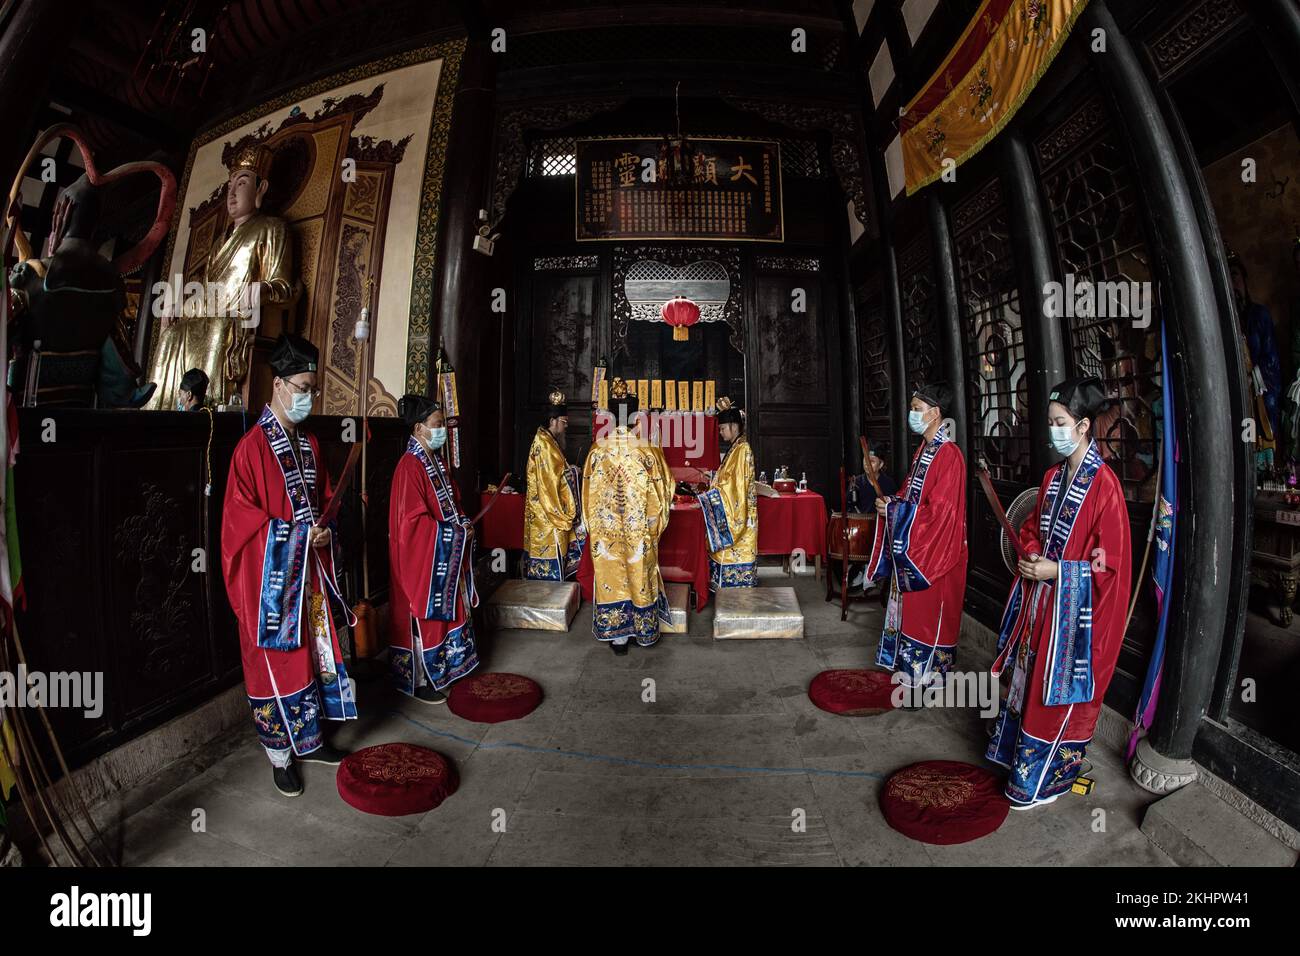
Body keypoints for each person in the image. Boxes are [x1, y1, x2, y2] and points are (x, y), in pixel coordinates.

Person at [987, 377, 1132, 809]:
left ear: (1083, 425)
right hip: (1039, 606)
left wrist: (1059, 571)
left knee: (1055, 696)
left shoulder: (1105, 487)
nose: (1053, 429)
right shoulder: (1051, 479)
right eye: (1051, 421)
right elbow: (1031, 530)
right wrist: (1031, 556)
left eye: (1060, 421)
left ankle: (1047, 779)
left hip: (1072, 616)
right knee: (1030, 685)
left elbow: (1111, 566)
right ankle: (1021, 762)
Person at [220, 333, 354, 797]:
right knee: (275, 662)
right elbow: (242, 527)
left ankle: (311, 740)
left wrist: (324, 529)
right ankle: (280, 755)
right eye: (301, 388)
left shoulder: (310, 445)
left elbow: (323, 501)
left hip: (309, 575)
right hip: (272, 584)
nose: (308, 397)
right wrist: (298, 536)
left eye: (312, 388)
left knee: (311, 658)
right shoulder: (250, 450)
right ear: (277, 385)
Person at [147, 143, 298, 409]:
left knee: (218, 328)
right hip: (214, 306)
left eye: (241, 183)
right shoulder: (219, 243)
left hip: (239, 316)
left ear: (260, 188)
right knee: (171, 333)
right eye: (229, 186)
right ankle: (161, 403)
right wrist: (180, 307)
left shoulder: (272, 228)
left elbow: (284, 287)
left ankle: (209, 404)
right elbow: (208, 290)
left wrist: (262, 289)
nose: (231, 192)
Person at [865, 382, 968, 690]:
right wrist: (892, 504)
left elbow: (942, 514)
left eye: (916, 410)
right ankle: (908, 675)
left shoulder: (948, 455)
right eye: (911, 409)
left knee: (927, 618)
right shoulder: (924, 451)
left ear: (935, 414)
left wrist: (897, 514)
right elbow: (910, 495)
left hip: (935, 553)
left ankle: (926, 682)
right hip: (916, 545)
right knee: (911, 614)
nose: (911, 414)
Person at [387, 393, 480, 704]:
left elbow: (453, 502)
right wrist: (452, 533)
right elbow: (411, 525)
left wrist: (463, 522)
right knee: (422, 615)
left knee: (448, 612)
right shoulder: (409, 466)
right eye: (437, 425)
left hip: (445, 553)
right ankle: (420, 679)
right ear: (418, 429)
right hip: (423, 559)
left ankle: (447, 669)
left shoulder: (435, 463)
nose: (442, 430)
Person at [582, 377, 673, 654]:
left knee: (612, 574)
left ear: (610, 417)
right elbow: (664, 490)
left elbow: (586, 493)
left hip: (606, 532)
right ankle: (641, 631)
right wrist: (654, 527)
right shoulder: (647, 450)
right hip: (638, 531)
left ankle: (617, 636)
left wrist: (593, 527)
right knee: (638, 572)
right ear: (636, 420)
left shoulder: (598, 450)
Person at [523, 389, 584, 580]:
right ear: (553, 421)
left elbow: (556, 472)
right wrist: (573, 473)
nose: (566, 427)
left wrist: (570, 469)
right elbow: (550, 484)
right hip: (547, 513)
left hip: (548, 510)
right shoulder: (544, 444)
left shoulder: (549, 441)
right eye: (564, 422)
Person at [697, 396, 756, 589]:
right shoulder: (735, 448)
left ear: (733, 426)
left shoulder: (743, 449)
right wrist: (714, 475)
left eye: (723, 429)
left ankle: (735, 583)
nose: (721, 433)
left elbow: (736, 489)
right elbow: (728, 477)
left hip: (738, 513)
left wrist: (709, 497)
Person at [1230, 251, 1280, 472]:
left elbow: (1271, 358)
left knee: (1261, 412)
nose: (1233, 284)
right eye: (1228, 278)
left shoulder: (1259, 315)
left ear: (1244, 280)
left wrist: (1254, 378)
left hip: (1256, 387)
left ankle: (1262, 470)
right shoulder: (1225, 324)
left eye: (1236, 276)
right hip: (1235, 388)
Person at [847, 447, 899, 591]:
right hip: (859, 531)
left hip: (881, 531)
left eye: (872, 461)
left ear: (881, 465)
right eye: (865, 460)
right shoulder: (856, 482)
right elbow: (849, 506)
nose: (867, 464)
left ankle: (868, 572)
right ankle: (860, 570)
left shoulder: (888, 483)